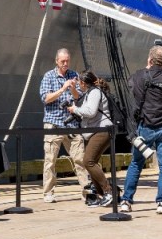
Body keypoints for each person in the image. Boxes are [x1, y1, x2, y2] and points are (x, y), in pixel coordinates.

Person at [120, 46, 162, 214]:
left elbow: (131, 87)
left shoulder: (139, 76)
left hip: (145, 126)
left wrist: (147, 68)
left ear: (149, 59)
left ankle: (126, 200)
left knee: (136, 163)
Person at [38, 48, 89, 203]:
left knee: (80, 158)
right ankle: (48, 192)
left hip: (72, 123)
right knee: (50, 160)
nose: (65, 64)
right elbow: (45, 98)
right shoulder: (49, 76)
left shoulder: (74, 75)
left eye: (67, 61)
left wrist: (73, 88)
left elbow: (79, 98)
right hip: (54, 123)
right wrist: (62, 88)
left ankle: (86, 191)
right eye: (62, 61)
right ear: (56, 61)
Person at [67, 69, 115, 207]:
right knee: (91, 162)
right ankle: (102, 194)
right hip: (96, 131)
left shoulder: (94, 92)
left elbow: (91, 112)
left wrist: (74, 109)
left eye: (78, 82)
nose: (78, 84)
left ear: (82, 83)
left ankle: (108, 191)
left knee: (88, 161)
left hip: (102, 131)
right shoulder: (90, 92)